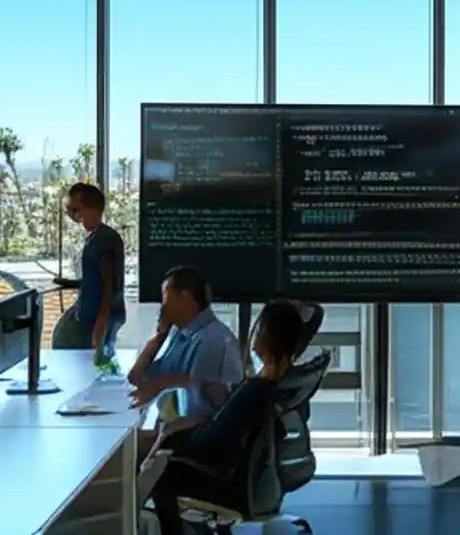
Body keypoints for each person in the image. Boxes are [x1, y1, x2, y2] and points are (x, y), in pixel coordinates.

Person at [145, 299, 304, 535]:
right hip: (248, 479)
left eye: (259, 329)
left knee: (161, 474)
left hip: (227, 483)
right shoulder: (282, 386)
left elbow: (209, 444)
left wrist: (173, 438)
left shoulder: (255, 389)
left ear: (266, 336)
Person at [127, 266, 243, 420]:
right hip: (184, 428)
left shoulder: (216, 340)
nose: (162, 306)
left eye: (165, 297)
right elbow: (137, 378)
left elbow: (211, 406)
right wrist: (159, 337)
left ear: (185, 297)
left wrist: (163, 383)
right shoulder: (180, 333)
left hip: (204, 436)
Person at [52, 182, 127, 363]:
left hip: (97, 317)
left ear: (93, 208)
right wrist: (74, 284)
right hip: (95, 315)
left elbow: (108, 285)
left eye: (77, 210)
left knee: (79, 357)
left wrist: (100, 324)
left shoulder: (105, 240)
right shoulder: (96, 238)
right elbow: (97, 280)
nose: (74, 216)